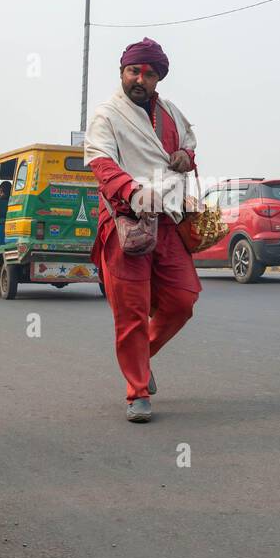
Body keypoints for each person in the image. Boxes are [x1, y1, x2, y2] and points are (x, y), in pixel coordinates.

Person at [84, 38, 201, 423]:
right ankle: (136, 391)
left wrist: (186, 157)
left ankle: (141, 356)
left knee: (182, 301)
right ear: (122, 72)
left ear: (158, 78)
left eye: (149, 73)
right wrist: (133, 191)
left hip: (168, 220)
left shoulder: (171, 113)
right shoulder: (107, 115)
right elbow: (100, 162)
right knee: (131, 310)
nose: (140, 78)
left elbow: (188, 148)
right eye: (134, 71)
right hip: (126, 222)